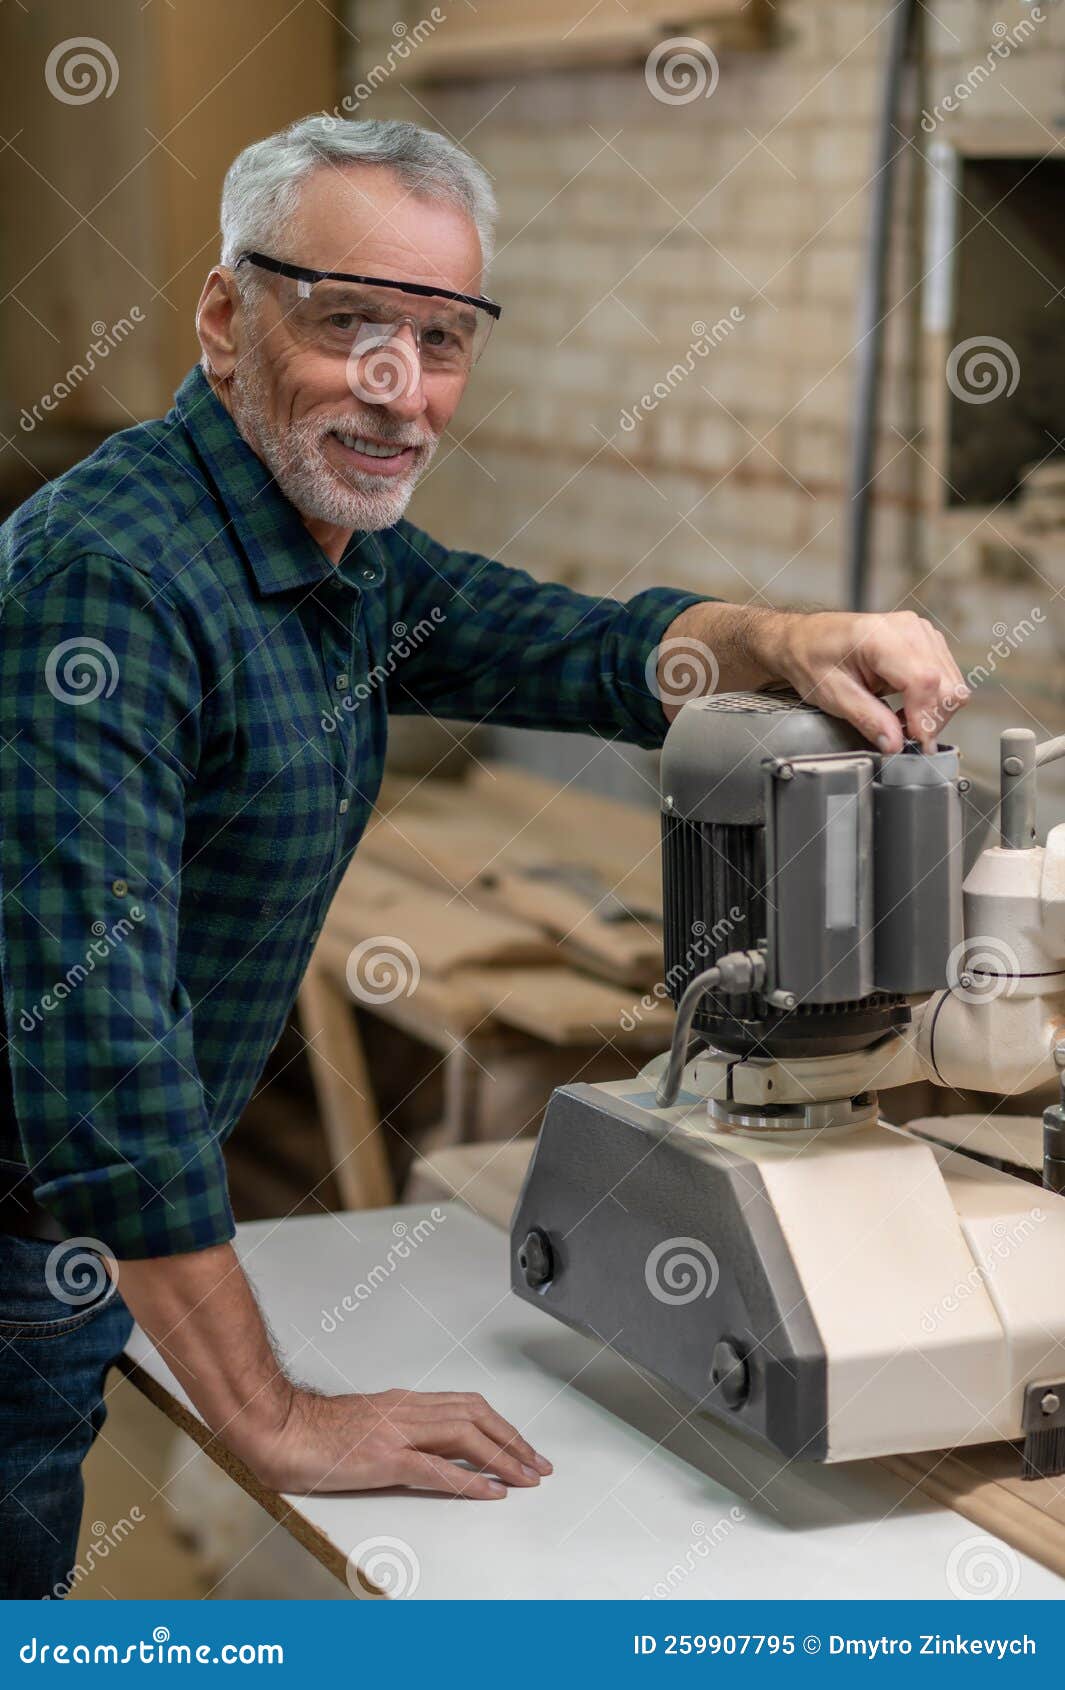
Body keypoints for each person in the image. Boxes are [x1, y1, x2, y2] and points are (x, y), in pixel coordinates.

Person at [0, 116, 968, 1598]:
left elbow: (573, 646)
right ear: (221, 315)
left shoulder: (335, 552)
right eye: (348, 323)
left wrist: (782, 639)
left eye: (442, 338)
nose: (400, 391)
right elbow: (99, 1062)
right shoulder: (115, 581)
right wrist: (268, 1415)